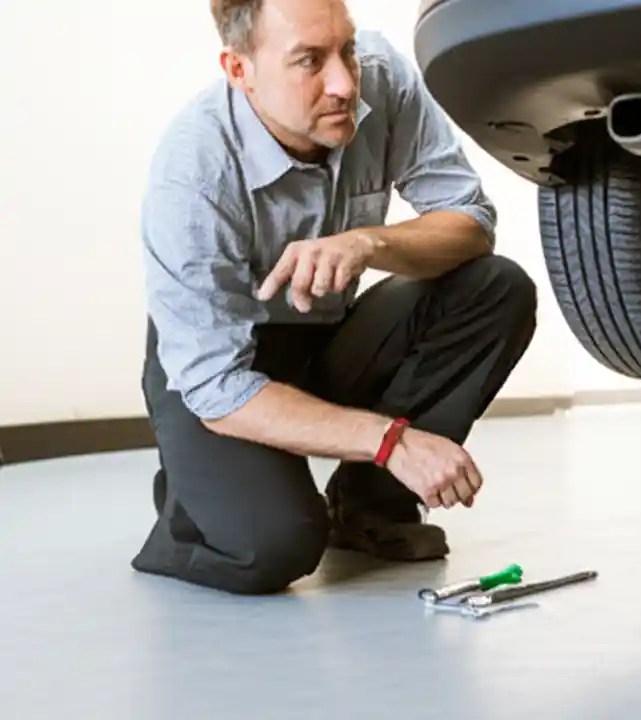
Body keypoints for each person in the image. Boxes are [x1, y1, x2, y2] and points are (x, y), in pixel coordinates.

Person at [132, 0, 537, 595]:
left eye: (346, 48)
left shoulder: (382, 76)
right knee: (276, 548)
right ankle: (191, 512)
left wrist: (368, 242)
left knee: (496, 289)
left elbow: (471, 221)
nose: (346, 83)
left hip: (325, 332)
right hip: (217, 373)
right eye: (309, 61)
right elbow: (215, 384)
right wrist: (390, 440)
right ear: (240, 70)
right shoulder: (192, 173)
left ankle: (368, 508)